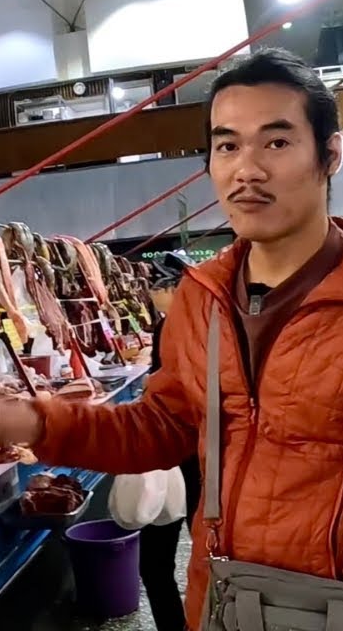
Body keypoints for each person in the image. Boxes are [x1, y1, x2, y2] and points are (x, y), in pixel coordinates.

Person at [0, 48, 343, 630]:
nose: (247, 169)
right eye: (227, 145)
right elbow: (164, 427)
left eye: (276, 142)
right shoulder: (204, 297)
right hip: (223, 604)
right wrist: (43, 424)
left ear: (330, 155)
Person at [140, 251, 202, 631]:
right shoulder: (201, 324)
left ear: (169, 288)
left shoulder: (174, 327)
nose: (150, 296)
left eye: (154, 288)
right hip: (200, 458)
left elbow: (168, 392)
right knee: (204, 555)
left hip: (178, 458)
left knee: (156, 564)